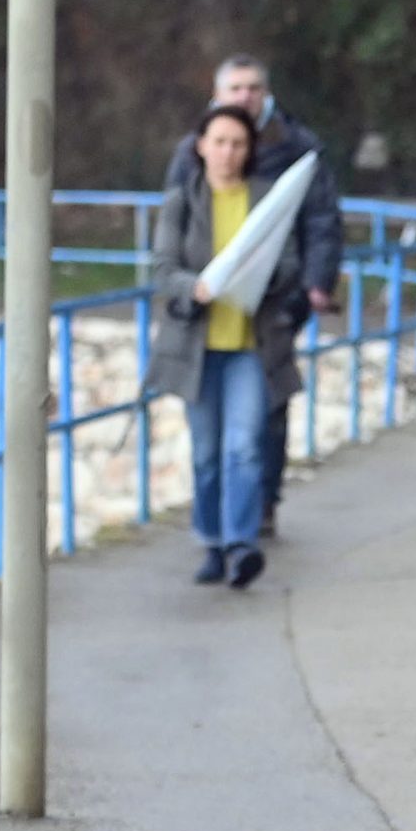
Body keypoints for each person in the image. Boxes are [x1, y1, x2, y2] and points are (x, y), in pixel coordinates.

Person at [166, 55, 342, 538]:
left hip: (276, 301)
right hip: (205, 314)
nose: (245, 96)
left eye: (253, 87)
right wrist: (186, 288)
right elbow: (171, 235)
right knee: (210, 440)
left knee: (266, 410)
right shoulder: (191, 152)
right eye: (236, 88)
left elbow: (321, 220)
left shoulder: (298, 146)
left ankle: (259, 508)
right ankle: (215, 531)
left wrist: (315, 282)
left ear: (267, 94)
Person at [150, 103, 305, 590]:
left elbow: (290, 263)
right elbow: (162, 269)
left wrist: (262, 279)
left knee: (244, 447)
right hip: (197, 347)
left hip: (250, 346)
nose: (228, 152)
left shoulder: (266, 199)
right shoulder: (182, 201)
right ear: (201, 147)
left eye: (238, 143)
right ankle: (211, 540)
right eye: (219, 142)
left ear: (249, 149)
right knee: (207, 452)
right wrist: (193, 287)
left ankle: (242, 544)